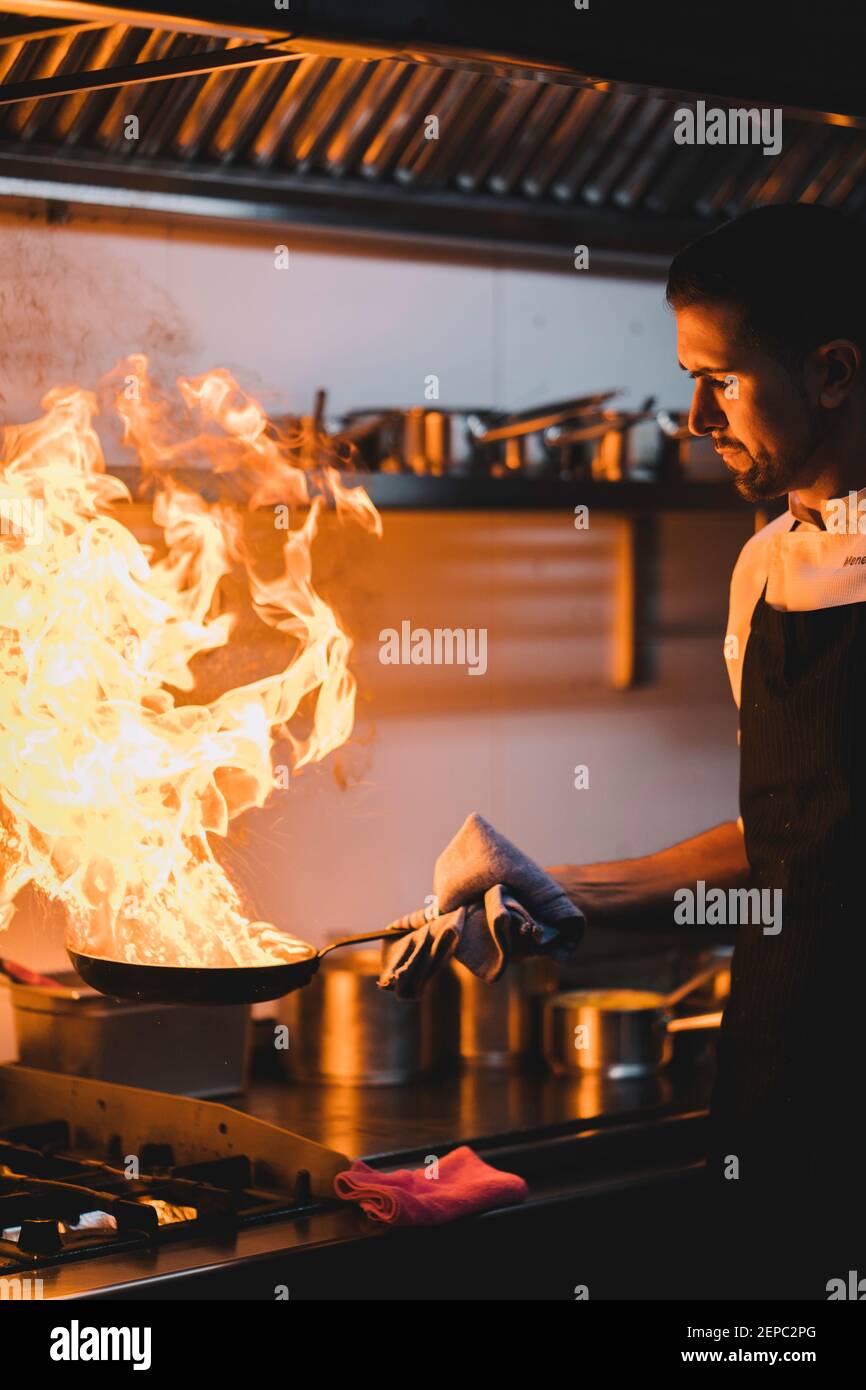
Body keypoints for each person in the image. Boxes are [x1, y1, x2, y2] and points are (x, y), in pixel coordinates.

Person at [548, 203, 866, 1297]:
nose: (691, 417)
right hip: (777, 1086)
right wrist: (561, 890)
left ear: (831, 372)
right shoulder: (763, 569)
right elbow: (781, 836)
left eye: (720, 381)